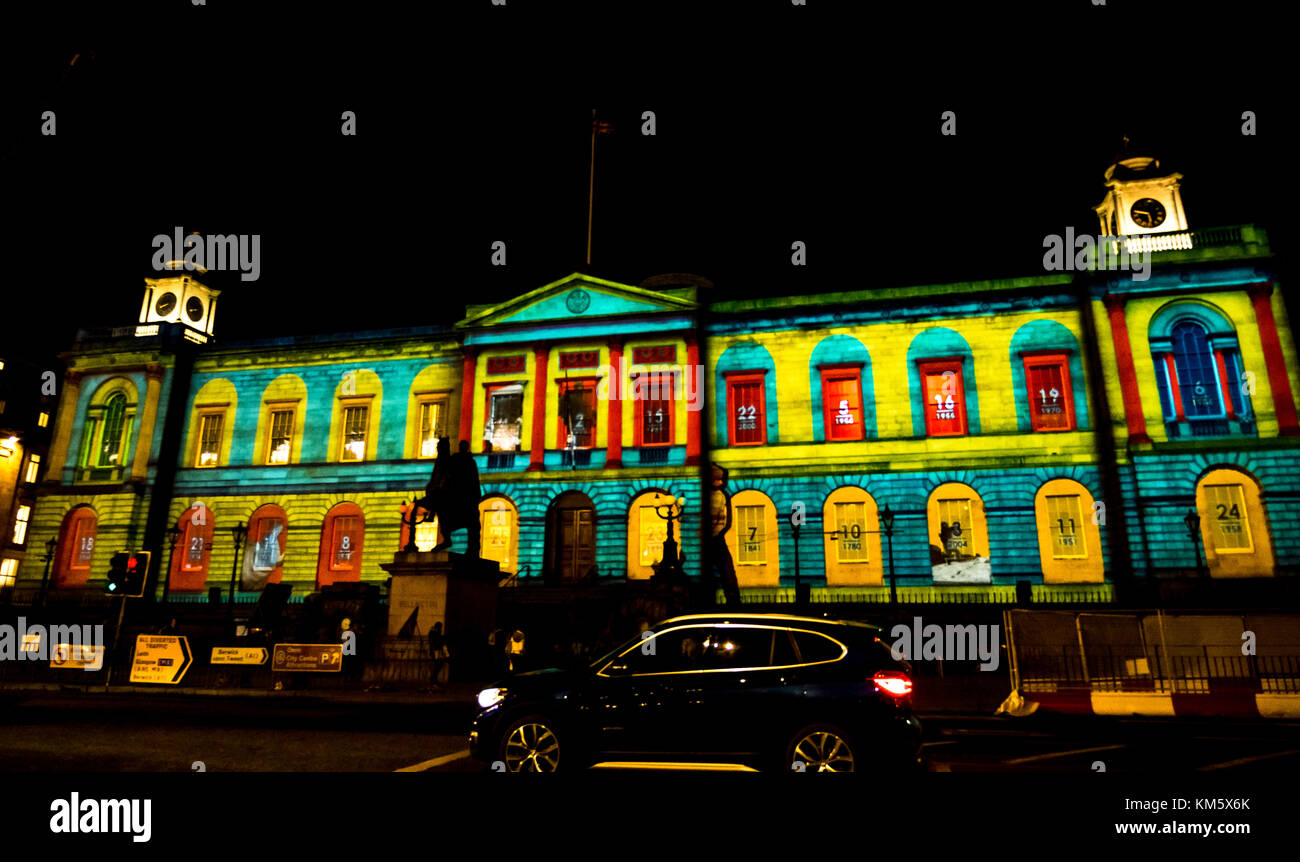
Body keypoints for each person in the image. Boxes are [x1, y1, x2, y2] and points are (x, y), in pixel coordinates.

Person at [428, 621, 449, 689]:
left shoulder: (436, 633)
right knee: (437, 665)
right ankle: (433, 679)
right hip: (436, 651)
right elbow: (434, 642)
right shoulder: (434, 633)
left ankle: (434, 679)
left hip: (438, 651)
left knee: (439, 665)